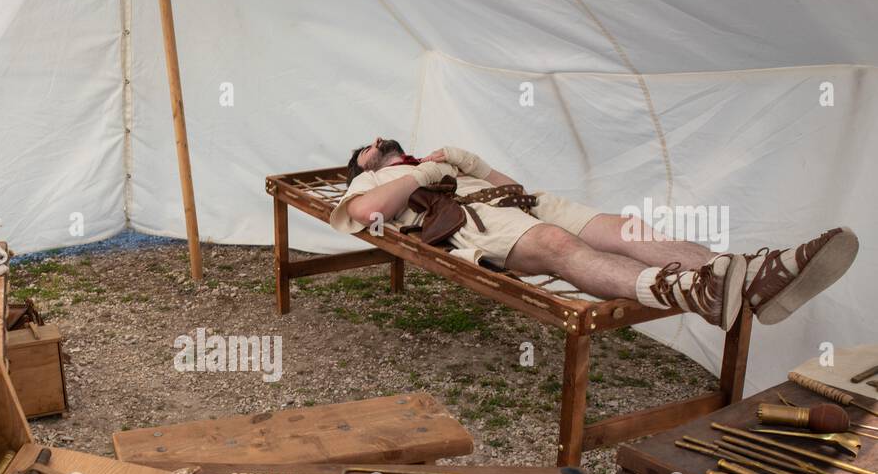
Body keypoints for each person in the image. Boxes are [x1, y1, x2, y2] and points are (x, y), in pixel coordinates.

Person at [331, 138, 856, 330]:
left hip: (521, 202)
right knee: (563, 249)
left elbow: (512, 186)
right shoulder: (374, 180)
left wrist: (475, 163)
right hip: (476, 225)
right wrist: (412, 175)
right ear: (361, 164)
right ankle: (694, 289)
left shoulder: (436, 157)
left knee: (626, 228)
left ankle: (747, 275)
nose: (376, 140)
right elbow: (371, 211)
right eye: (366, 147)